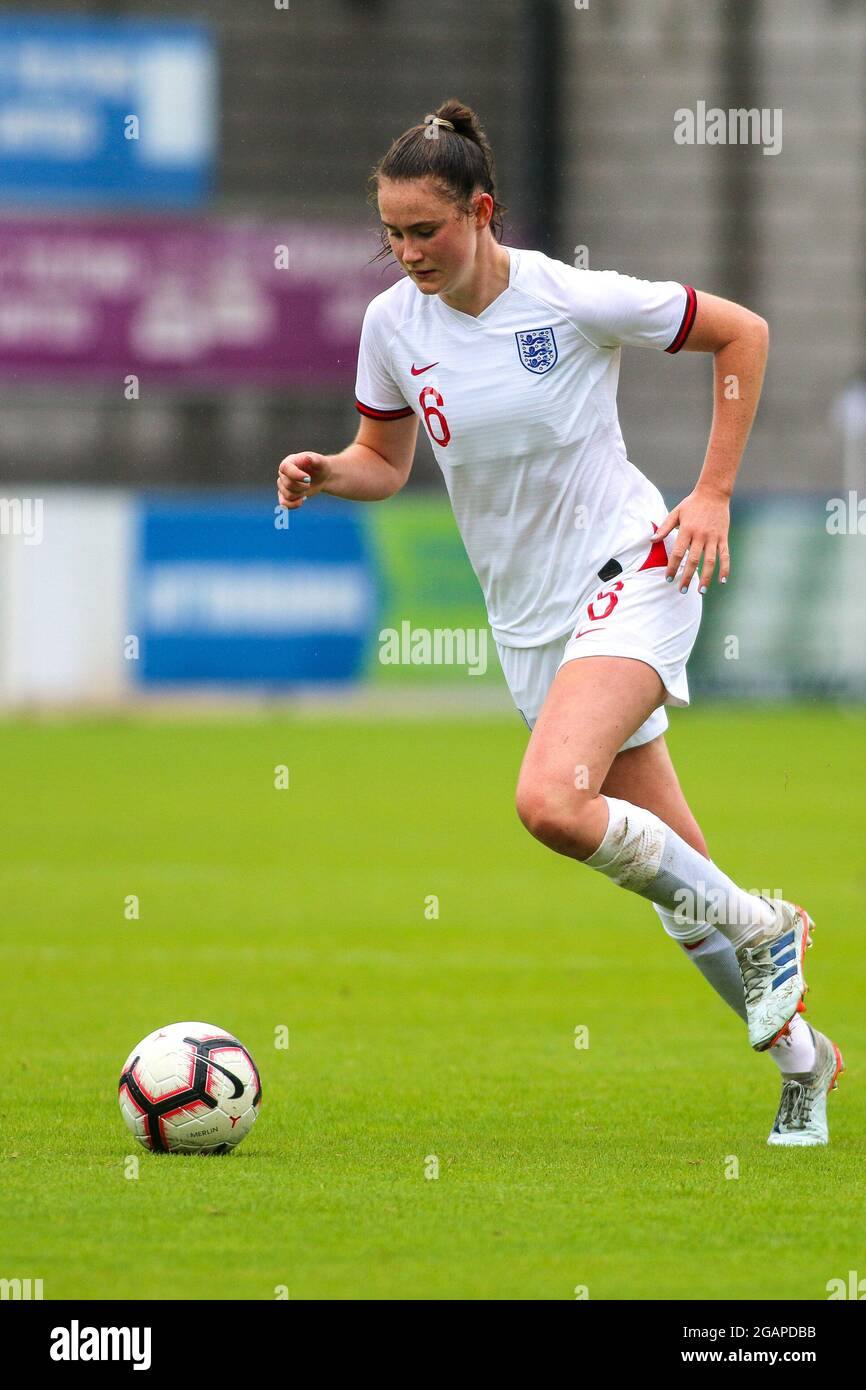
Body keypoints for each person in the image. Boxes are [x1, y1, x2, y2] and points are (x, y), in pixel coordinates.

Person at [277, 99, 843, 1146]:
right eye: (390, 234)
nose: (405, 253)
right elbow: (386, 463)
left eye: (424, 231)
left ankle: (767, 924)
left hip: (631, 567)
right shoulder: (390, 327)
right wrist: (326, 471)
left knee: (549, 802)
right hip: (529, 624)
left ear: (480, 210)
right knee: (680, 879)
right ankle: (805, 1064)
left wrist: (710, 491)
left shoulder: (566, 297)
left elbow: (739, 332)